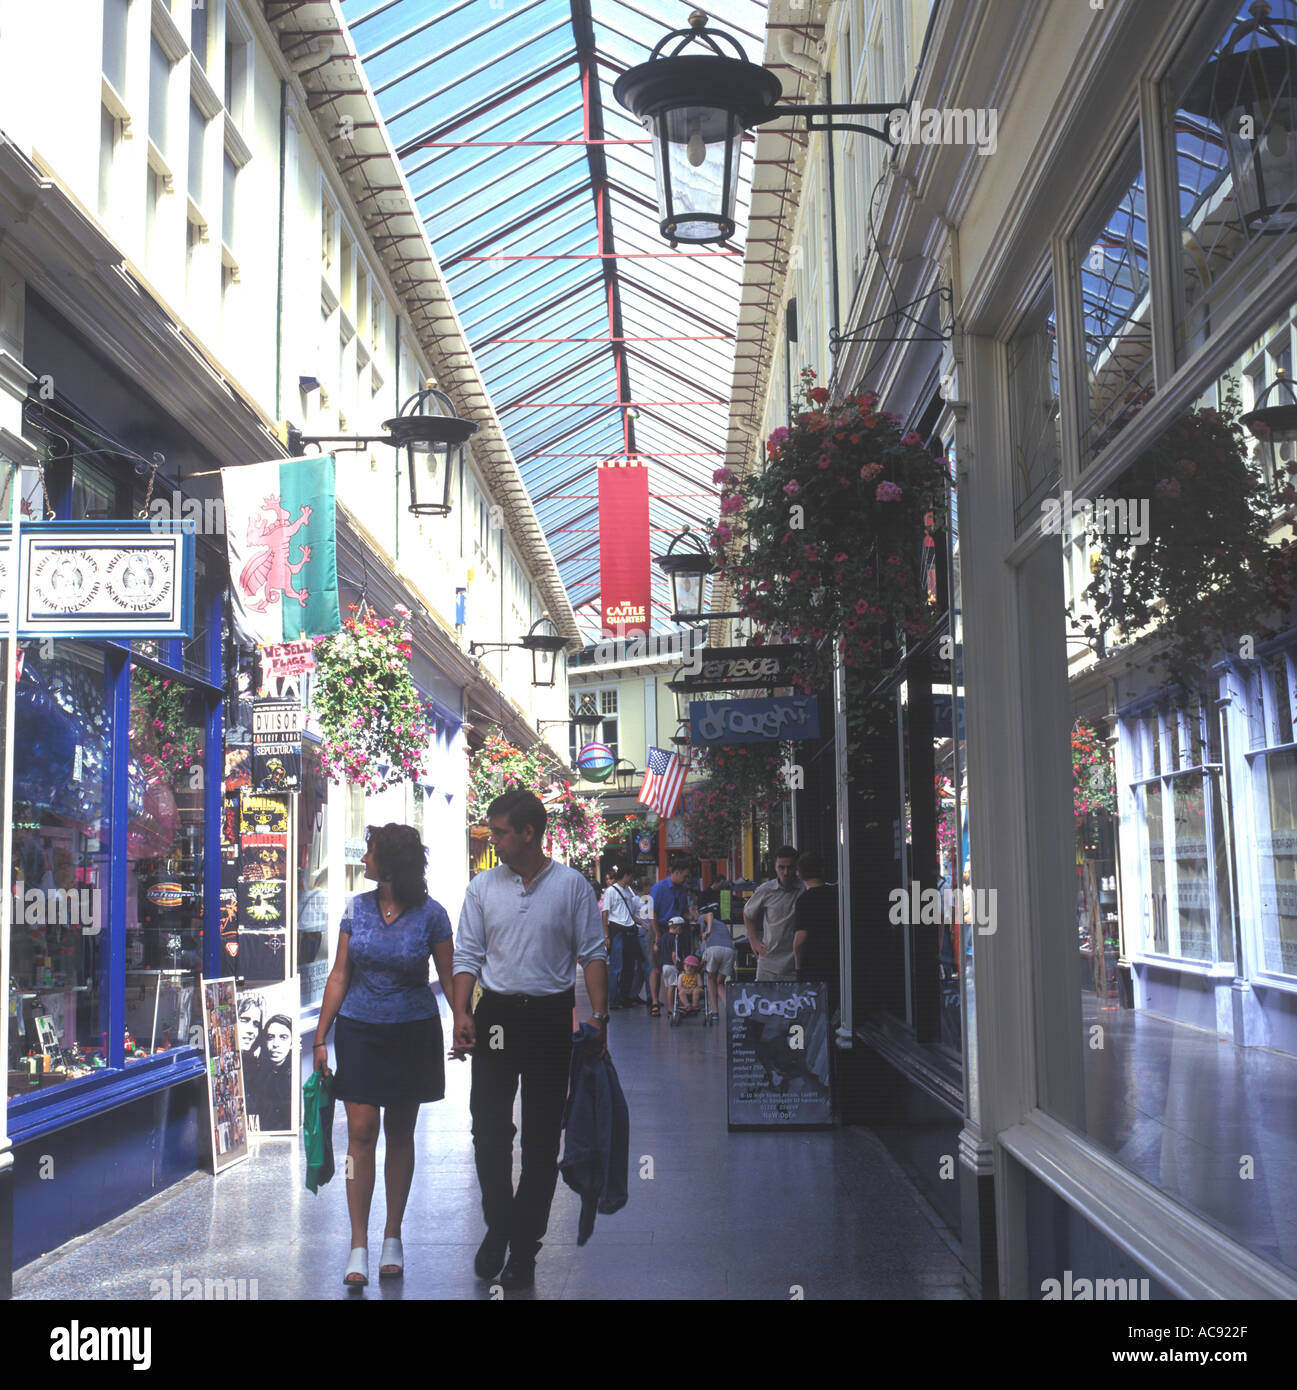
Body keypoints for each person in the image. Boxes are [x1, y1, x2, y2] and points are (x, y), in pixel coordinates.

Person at [452, 789, 609, 1291]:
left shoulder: (571, 886)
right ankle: (501, 1224)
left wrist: (601, 1018)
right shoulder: (481, 888)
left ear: (527, 833)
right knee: (490, 1130)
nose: (491, 839)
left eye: (498, 832)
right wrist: (461, 1011)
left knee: (543, 1139)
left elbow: (593, 954)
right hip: (496, 1016)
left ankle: (524, 1249)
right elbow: (467, 957)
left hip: (547, 1018)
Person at [313, 823, 455, 1288]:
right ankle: (358, 1240)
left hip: (412, 1032)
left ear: (390, 862)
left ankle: (392, 1234)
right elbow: (338, 975)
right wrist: (320, 1036)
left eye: (370, 852)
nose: (364, 858)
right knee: (360, 1129)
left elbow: (450, 977)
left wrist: (466, 1019)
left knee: (400, 1131)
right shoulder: (356, 909)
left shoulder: (432, 915)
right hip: (359, 1031)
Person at [792, 851, 840, 1021]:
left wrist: (798, 968)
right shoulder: (836, 895)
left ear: (799, 875)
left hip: (814, 966)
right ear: (822, 869)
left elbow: (800, 940)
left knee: (816, 1016)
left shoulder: (804, 900)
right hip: (837, 963)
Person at [744, 846, 805, 982]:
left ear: (796, 867)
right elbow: (748, 913)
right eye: (781, 868)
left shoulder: (804, 889)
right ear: (775, 867)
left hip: (795, 964)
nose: (785, 872)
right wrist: (753, 939)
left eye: (790, 867)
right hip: (769, 963)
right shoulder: (766, 890)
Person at [648, 859, 692, 1017]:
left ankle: (675, 1001)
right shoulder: (659, 887)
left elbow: (684, 910)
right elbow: (652, 912)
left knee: (677, 965)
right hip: (659, 927)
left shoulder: (682, 890)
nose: (686, 879)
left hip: (677, 930)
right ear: (676, 872)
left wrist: (694, 916)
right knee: (657, 967)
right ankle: (654, 1001)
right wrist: (657, 934)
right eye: (685, 876)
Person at [601, 863, 646, 1009]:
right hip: (617, 930)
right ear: (626, 875)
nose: (632, 879)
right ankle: (613, 999)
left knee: (629, 966)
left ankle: (625, 997)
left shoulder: (628, 892)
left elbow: (630, 913)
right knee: (617, 967)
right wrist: (606, 936)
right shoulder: (611, 891)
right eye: (631, 876)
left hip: (630, 930)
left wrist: (642, 924)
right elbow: (605, 913)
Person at [250, 1013, 294, 1132]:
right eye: (270, 1037)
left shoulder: (292, 1075)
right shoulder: (259, 1073)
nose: (276, 1044)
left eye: (283, 1037)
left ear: (292, 1042)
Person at [699, 883, 735, 1022]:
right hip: (729, 951)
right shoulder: (723, 925)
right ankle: (729, 1011)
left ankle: (714, 1012)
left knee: (710, 979)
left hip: (714, 949)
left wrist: (707, 930)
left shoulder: (703, 917)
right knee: (720, 982)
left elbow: (709, 915)